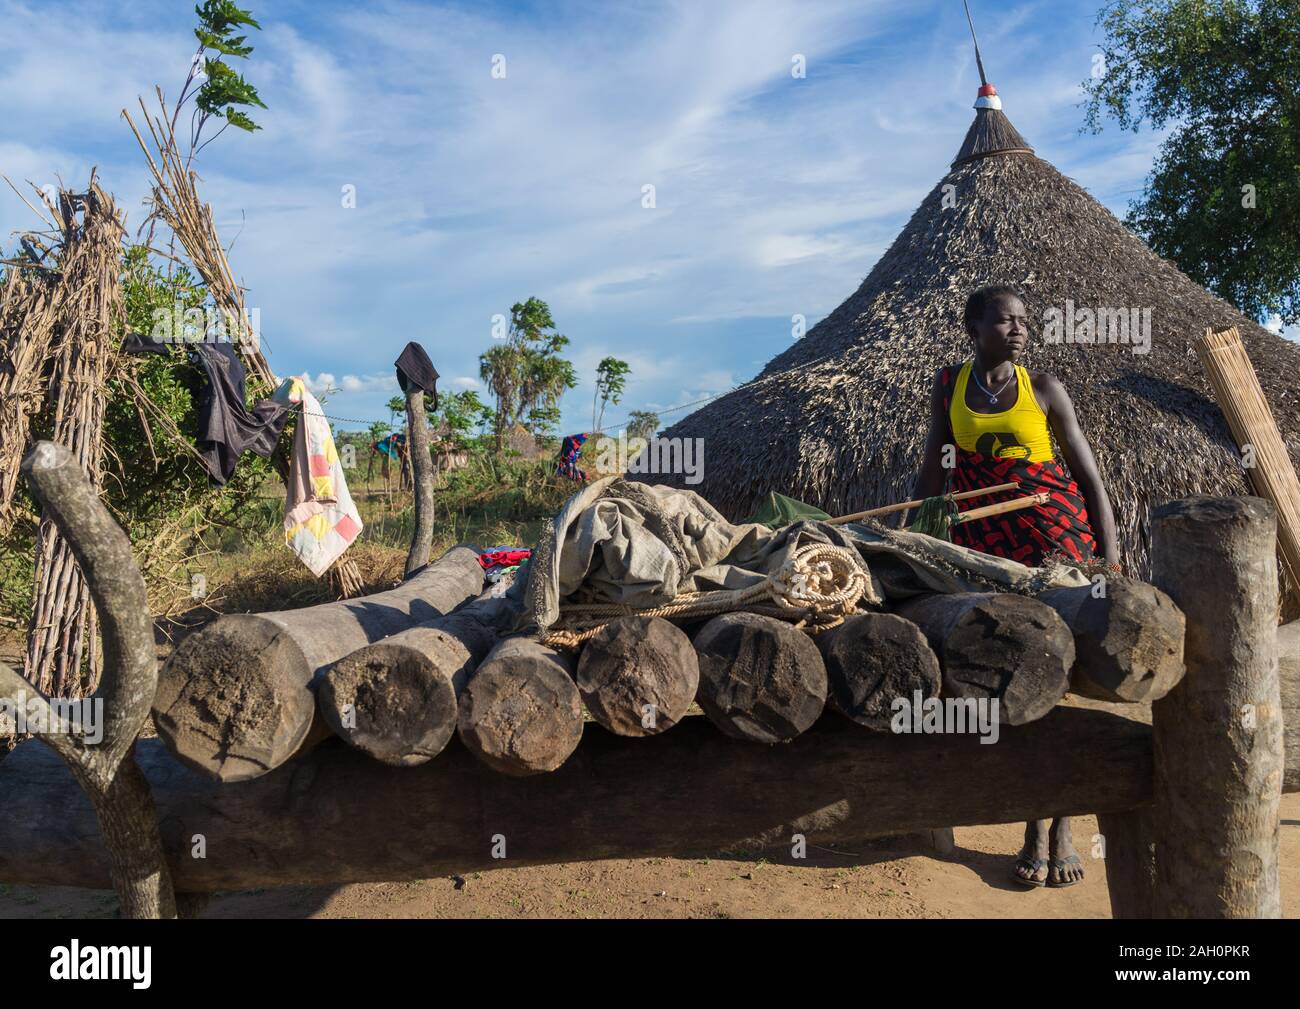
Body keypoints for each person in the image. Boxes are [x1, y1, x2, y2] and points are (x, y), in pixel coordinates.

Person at [912, 284, 1119, 889]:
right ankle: (1034, 820)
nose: (1021, 329)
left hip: (1055, 545)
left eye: (1025, 321)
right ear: (974, 328)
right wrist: (911, 536)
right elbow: (936, 462)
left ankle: (1059, 826)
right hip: (988, 549)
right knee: (1022, 673)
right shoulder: (949, 387)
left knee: (1067, 672)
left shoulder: (1045, 389)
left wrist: (1109, 557)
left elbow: (1088, 479)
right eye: (1007, 321)